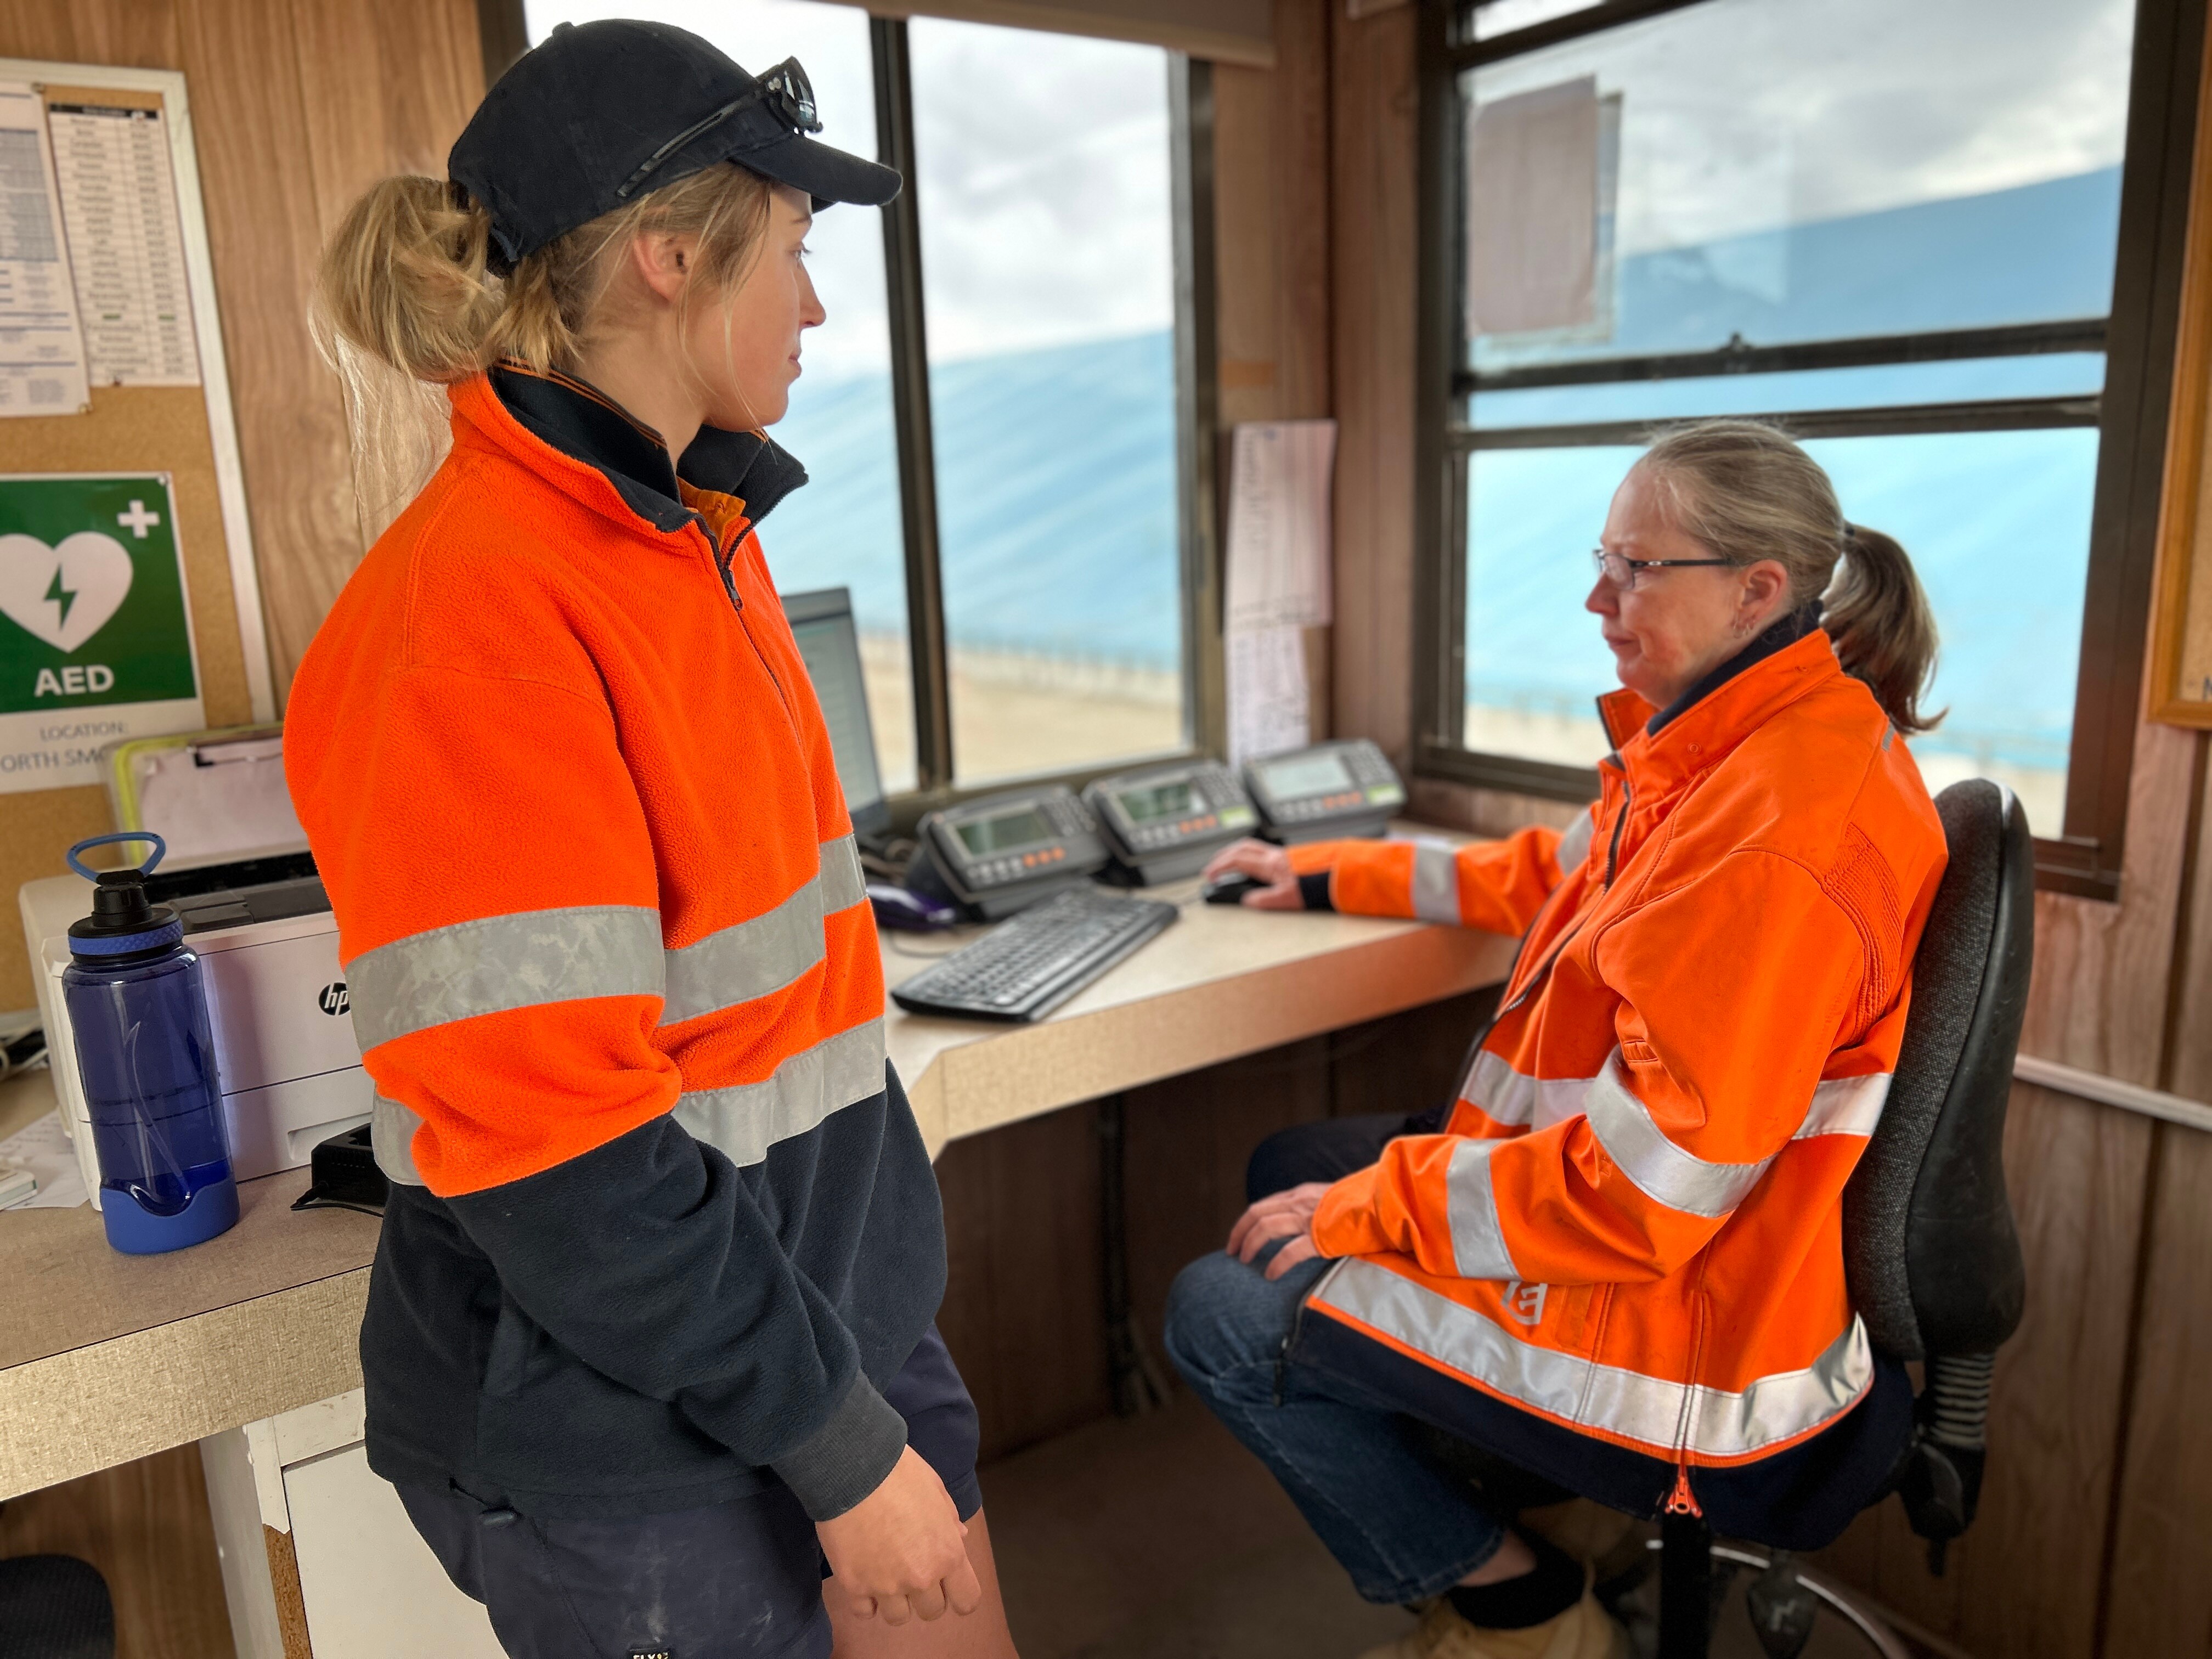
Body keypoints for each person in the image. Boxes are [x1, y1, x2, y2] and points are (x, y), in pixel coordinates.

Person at [285, 22, 1019, 1659]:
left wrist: (853, 1390)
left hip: (827, 1322)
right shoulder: (474, 622)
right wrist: (839, 1450)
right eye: (796, 251)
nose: (816, 308)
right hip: (640, 1429)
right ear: (672, 260)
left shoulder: (694, 538)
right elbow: (561, 1157)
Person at [1172, 420, 1950, 1659]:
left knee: (1220, 1309)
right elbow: (1560, 875)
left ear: (1757, 591)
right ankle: (1550, 1514)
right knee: (1291, 1166)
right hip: (1695, 1235)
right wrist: (1323, 873)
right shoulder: (1740, 744)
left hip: (1691, 1330)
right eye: (1605, 560)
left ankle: (1522, 1609)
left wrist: (1370, 1208)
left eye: (1637, 570)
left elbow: (1644, 1199)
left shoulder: (1776, 836)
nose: (1599, 599)